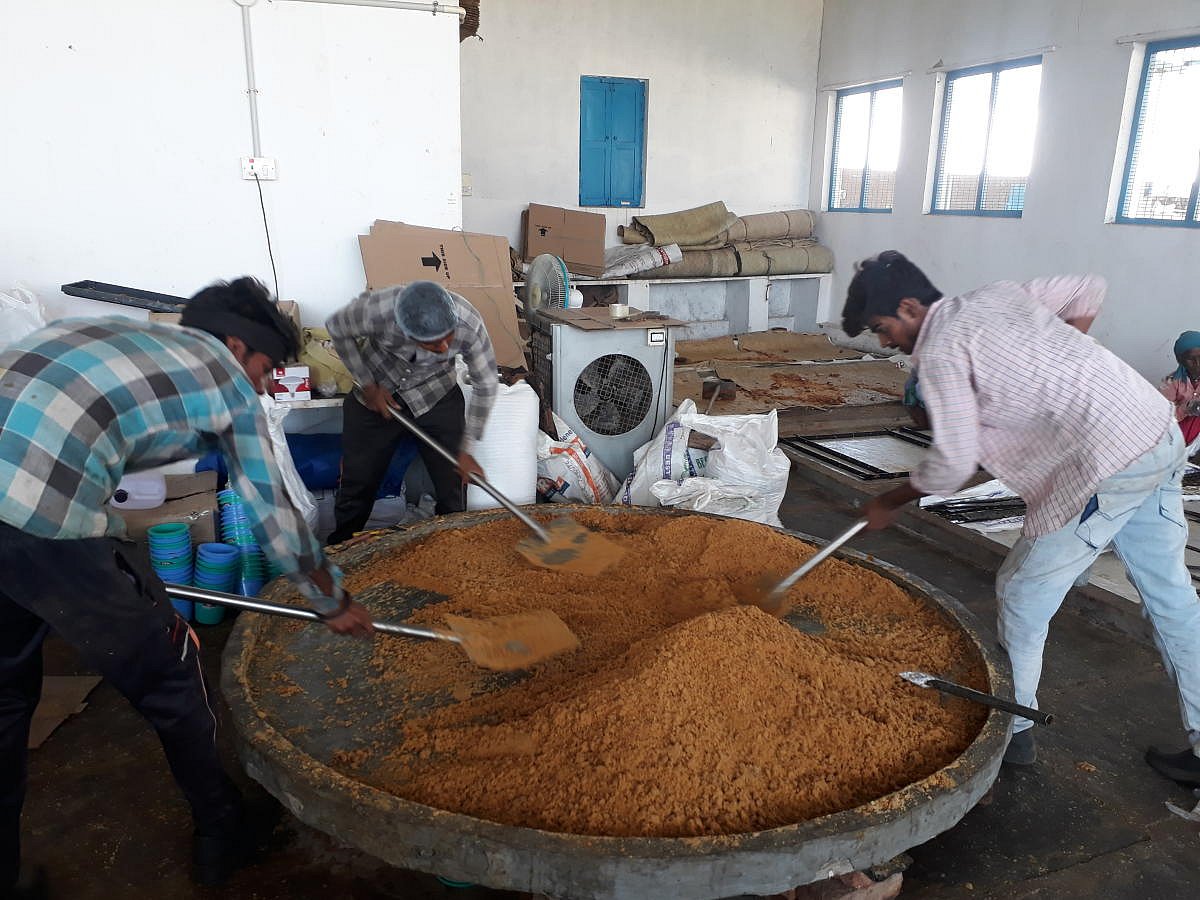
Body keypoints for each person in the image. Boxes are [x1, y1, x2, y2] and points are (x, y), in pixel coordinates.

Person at [0, 278, 374, 896]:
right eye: (266, 368)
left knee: (7, 697)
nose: (263, 384)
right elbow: (274, 514)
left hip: (21, 509)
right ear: (235, 346)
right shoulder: (226, 382)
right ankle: (222, 834)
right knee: (173, 673)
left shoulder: (104, 334)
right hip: (39, 517)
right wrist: (330, 599)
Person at [842, 251, 1200, 781]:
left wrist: (888, 501)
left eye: (882, 328)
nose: (885, 342)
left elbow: (954, 464)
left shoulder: (940, 355)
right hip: (1157, 432)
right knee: (1171, 597)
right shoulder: (997, 295)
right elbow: (1089, 286)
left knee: (1022, 593)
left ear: (910, 306)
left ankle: (1011, 735)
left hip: (1108, 463)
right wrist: (1066, 351)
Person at [324, 281, 497, 546]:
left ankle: (454, 549)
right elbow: (337, 326)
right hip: (377, 394)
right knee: (357, 483)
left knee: (452, 485)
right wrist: (368, 384)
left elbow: (486, 382)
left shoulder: (468, 321)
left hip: (435, 394)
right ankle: (342, 552)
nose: (442, 348)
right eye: (431, 343)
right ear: (405, 330)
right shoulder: (379, 310)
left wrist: (466, 449)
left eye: (447, 337)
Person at [1160, 330, 1200, 448]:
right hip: (1176, 435)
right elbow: (1160, 417)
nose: (1197, 363)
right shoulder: (1171, 382)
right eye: (1191, 359)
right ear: (1181, 360)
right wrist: (1185, 409)